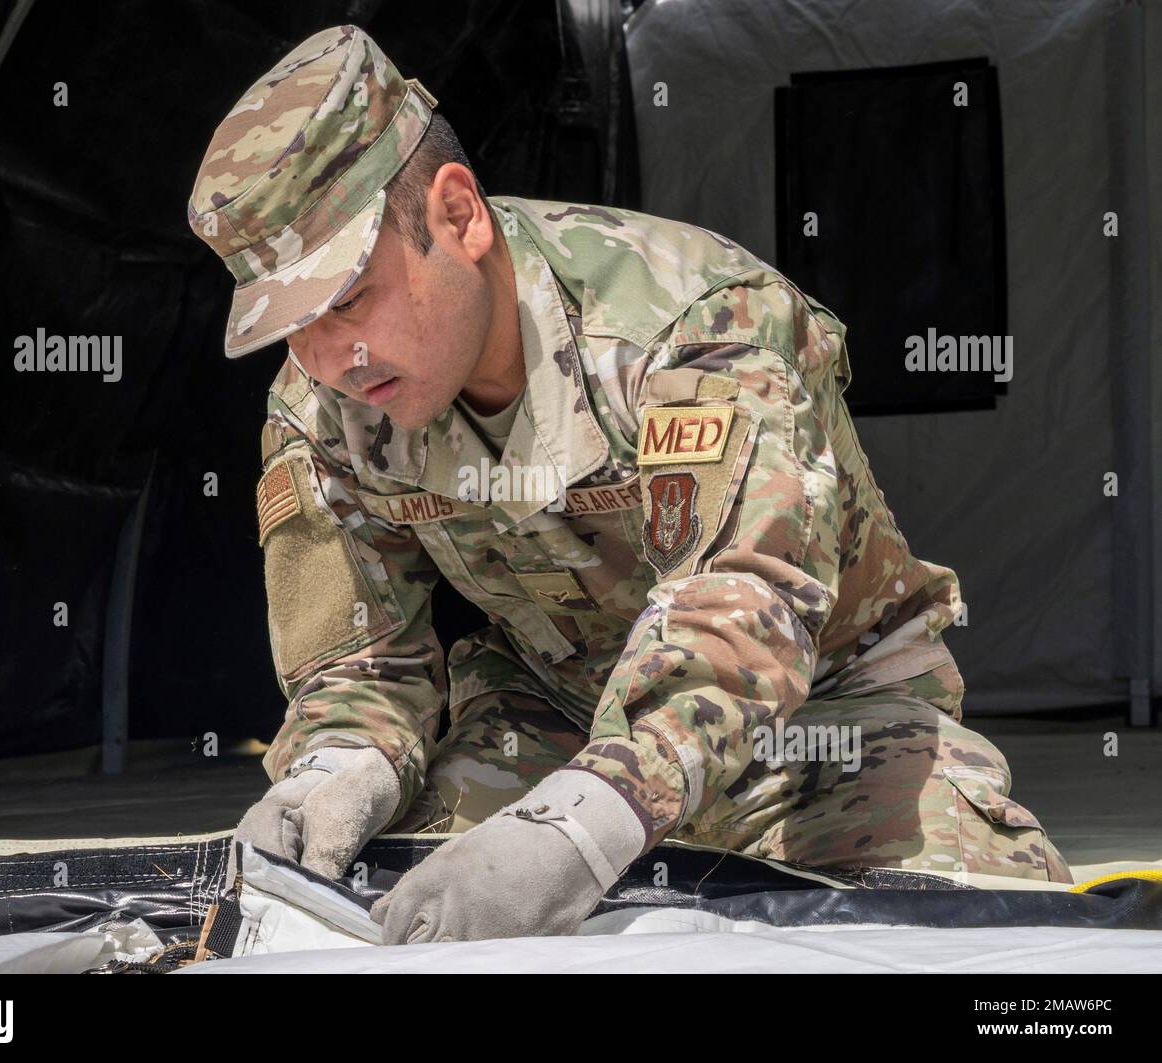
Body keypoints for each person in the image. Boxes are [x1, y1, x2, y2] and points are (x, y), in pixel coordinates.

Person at [187, 25, 1073, 945]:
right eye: (289, 327)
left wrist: (583, 826)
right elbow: (361, 660)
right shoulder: (322, 405)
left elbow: (738, 611)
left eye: (345, 299)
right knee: (374, 915)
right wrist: (336, 767)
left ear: (458, 215)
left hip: (814, 728)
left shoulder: (697, 323)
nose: (327, 355)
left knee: (987, 928)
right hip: (549, 726)